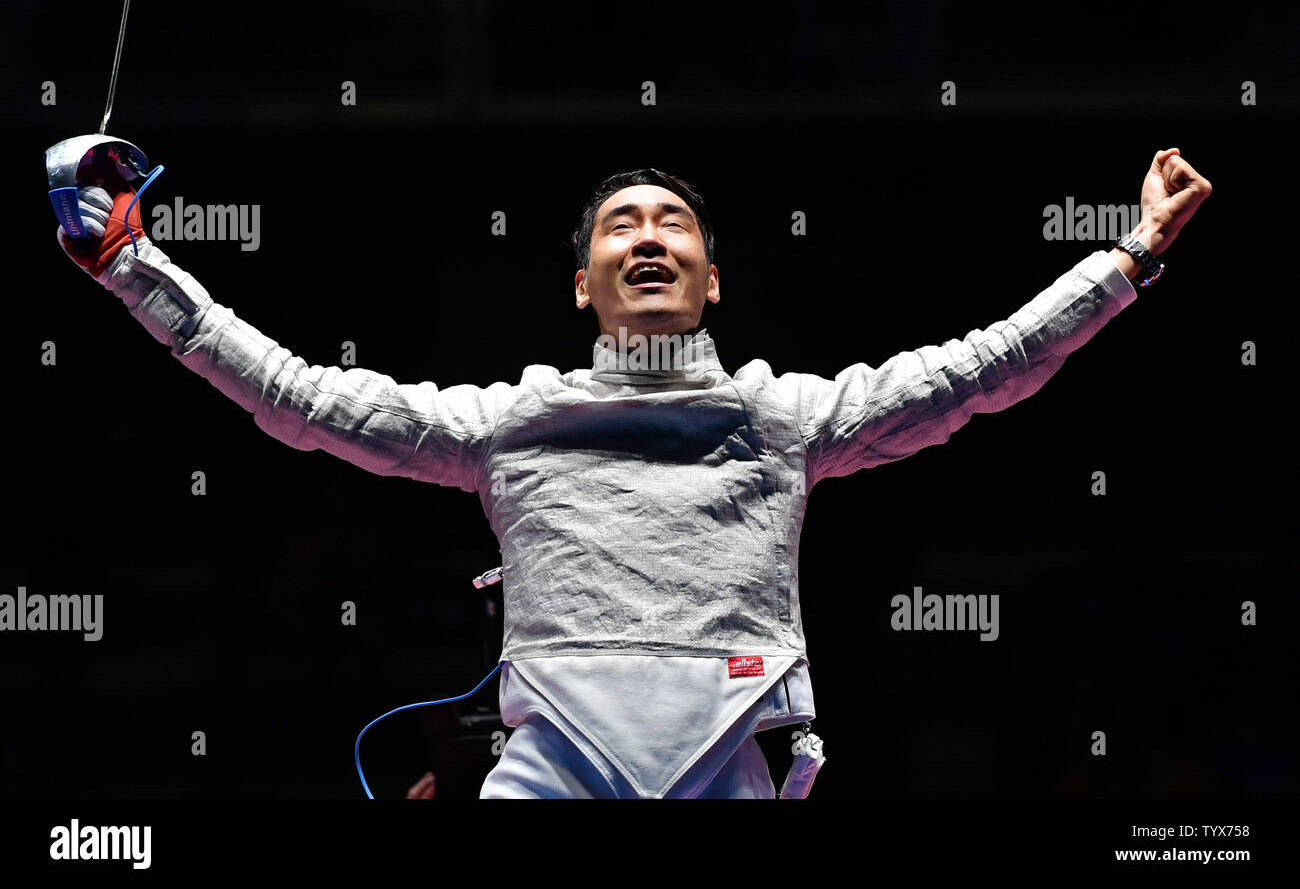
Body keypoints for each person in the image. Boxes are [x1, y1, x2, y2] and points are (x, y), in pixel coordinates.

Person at [54, 149, 1212, 797]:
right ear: (582, 285)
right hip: (552, 761)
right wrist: (131, 265)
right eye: (620, 225)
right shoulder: (509, 422)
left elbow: (981, 371)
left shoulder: (784, 416)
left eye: (671, 225)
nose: (648, 235)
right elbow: (302, 399)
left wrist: (1128, 257)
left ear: (711, 280)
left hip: (733, 751)